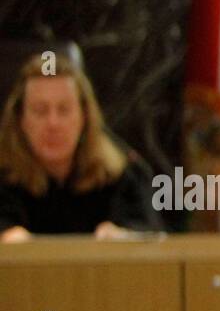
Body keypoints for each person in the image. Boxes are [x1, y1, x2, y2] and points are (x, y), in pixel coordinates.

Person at [0, 53, 158, 242]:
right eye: (40, 111)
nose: (53, 123)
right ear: (21, 120)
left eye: (64, 109)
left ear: (84, 117)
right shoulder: (4, 177)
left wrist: (124, 236)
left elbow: (152, 236)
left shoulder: (119, 176)